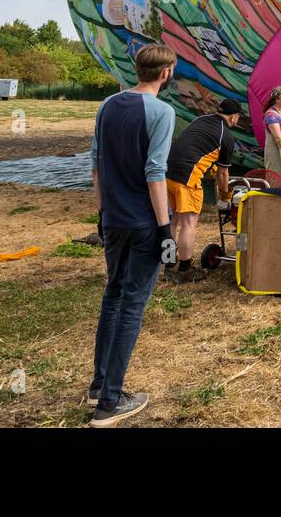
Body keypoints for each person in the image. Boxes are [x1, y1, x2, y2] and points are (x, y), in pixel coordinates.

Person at [86, 43, 177, 426]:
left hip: (113, 221)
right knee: (132, 305)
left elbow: (96, 165)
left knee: (113, 296)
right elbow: (155, 172)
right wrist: (165, 229)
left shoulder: (108, 105)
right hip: (143, 222)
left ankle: (98, 387)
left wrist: (102, 213)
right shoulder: (162, 112)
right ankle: (110, 403)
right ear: (166, 73)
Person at [164, 97, 241, 282]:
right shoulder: (226, 136)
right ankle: (185, 270)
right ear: (233, 117)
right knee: (188, 224)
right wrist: (225, 196)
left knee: (172, 222)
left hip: (167, 173)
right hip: (187, 178)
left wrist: (207, 168)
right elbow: (223, 174)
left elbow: (194, 146)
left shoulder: (200, 120)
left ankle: (167, 264)